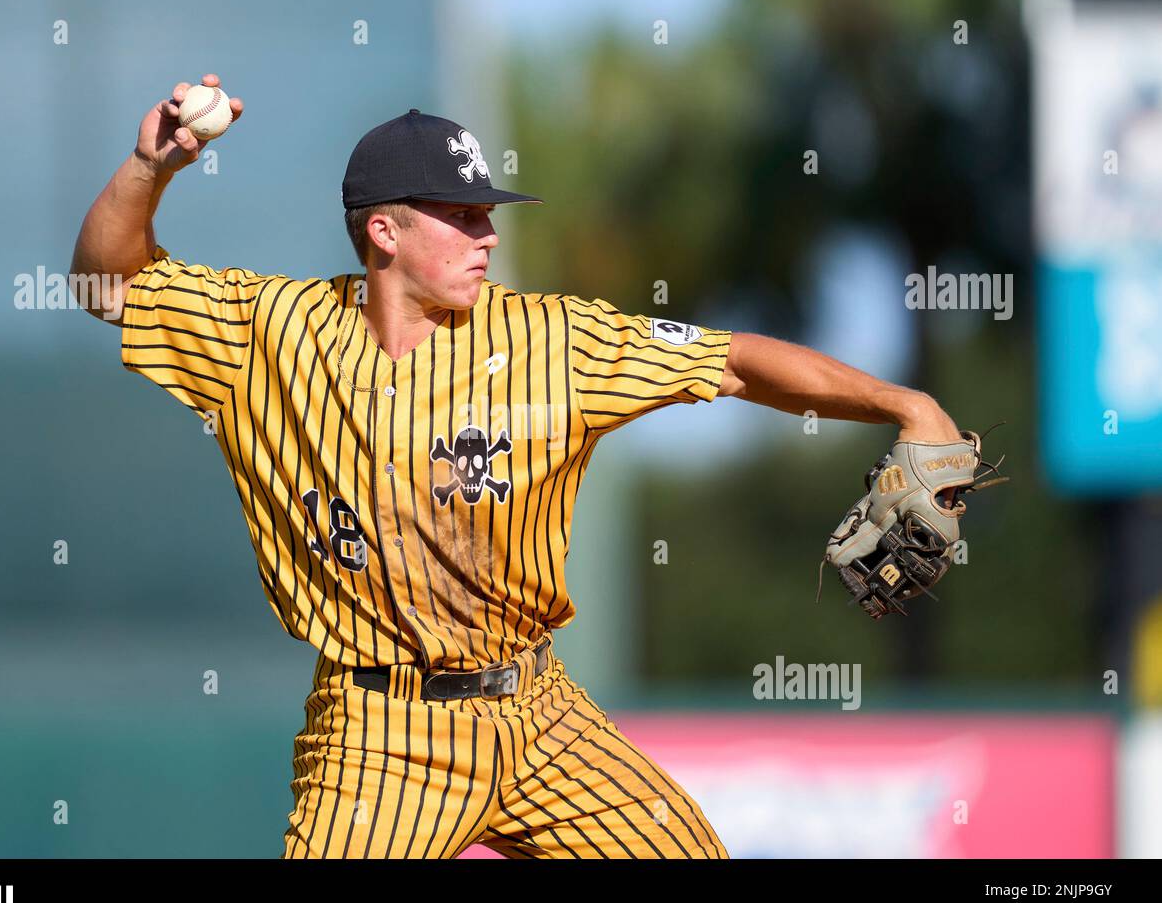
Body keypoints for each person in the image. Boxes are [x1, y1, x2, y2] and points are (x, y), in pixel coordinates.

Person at [70, 74, 964, 859]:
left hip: (540, 715)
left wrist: (903, 404)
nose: (486, 235)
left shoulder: (552, 340)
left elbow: (733, 361)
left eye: (487, 213)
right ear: (384, 230)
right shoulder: (265, 334)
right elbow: (106, 286)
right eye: (460, 216)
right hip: (381, 734)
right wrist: (152, 168)